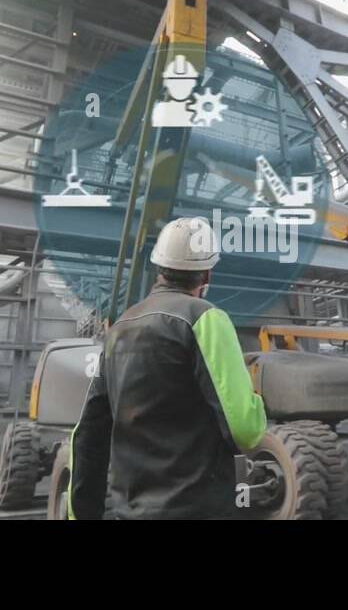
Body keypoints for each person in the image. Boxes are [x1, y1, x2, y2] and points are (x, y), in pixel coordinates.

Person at [67, 217, 267, 519]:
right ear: (208, 273)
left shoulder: (119, 328)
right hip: (196, 509)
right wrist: (258, 403)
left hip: (131, 511)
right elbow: (246, 429)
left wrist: (81, 514)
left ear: (159, 268)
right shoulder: (205, 318)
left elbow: (89, 434)